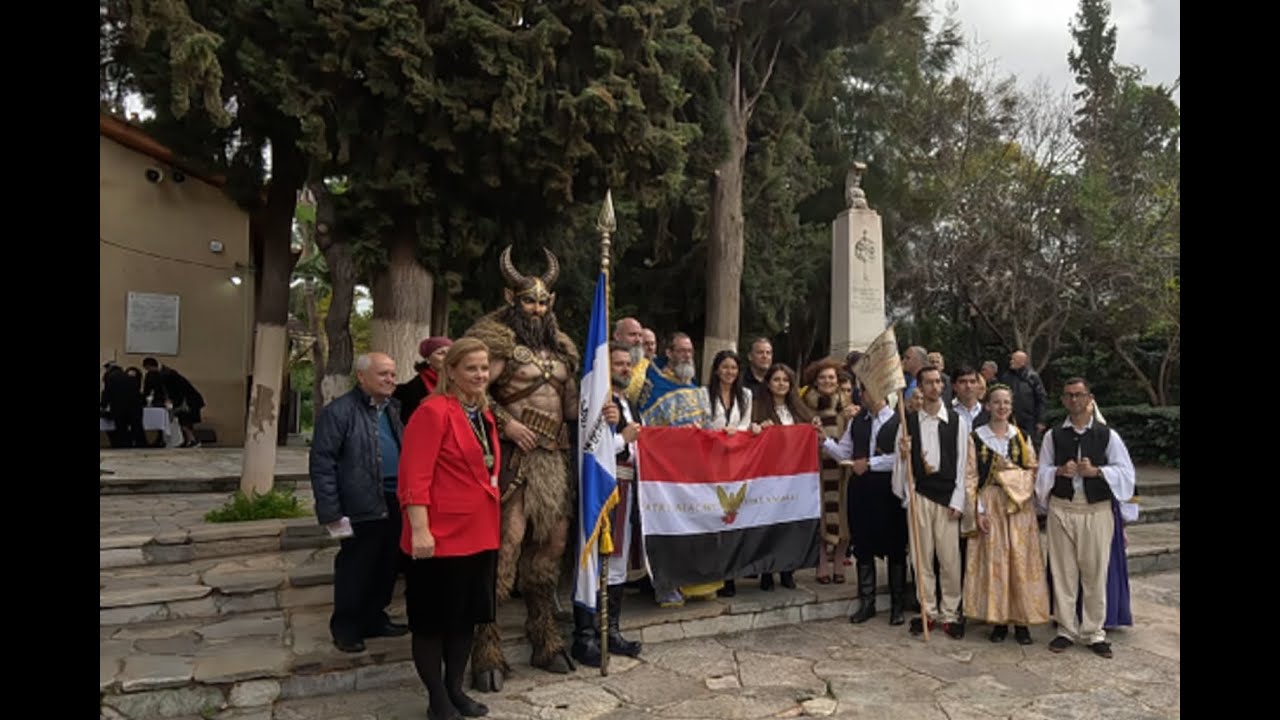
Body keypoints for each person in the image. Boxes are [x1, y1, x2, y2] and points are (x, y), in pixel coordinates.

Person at [463, 246, 579, 690]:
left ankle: (544, 633)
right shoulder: (493, 340)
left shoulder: (563, 347)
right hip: (512, 456)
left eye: (544, 300)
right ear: (512, 299)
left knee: (552, 545)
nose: (537, 307)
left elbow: (571, 407)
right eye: (529, 300)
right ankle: (485, 644)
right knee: (505, 546)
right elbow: (470, 388)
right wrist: (507, 423)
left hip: (555, 456)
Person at [398, 338, 502, 720]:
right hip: (439, 536)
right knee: (431, 623)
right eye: (471, 368)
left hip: (479, 531)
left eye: (484, 367)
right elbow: (414, 476)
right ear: (451, 371)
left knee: (465, 620)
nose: (479, 375)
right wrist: (420, 530)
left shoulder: (483, 413)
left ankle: (455, 690)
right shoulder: (433, 411)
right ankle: (437, 699)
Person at [308, 352, 410, 654]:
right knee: (356, 568)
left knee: (387, 566)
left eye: (392, 374)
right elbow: (322, 464)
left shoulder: (395, 409)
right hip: (359, 504)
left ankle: (374, 618)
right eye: (383, 374)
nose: (390, 380)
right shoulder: (339, 412)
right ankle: (347, 627)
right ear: (362, 377)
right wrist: (330, 511)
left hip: (395, 500)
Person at [1035, 377, 1136, 659]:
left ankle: (1094, 631)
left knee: (1094, 572)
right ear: (1064, 400)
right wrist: (1057, 472)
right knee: (1063, 571)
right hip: (1063, 507)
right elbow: (1040, 473)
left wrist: (1098, 472)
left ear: (1089, 398)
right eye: (1069, 396)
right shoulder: (1053, 436)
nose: (1074, 400)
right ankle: (1066, 629)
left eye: (1079, 395)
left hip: (1096, 509)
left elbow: (1127, 474)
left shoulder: (1107, 435)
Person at [570, 342, 644, 666]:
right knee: (593, 561)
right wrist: (623, 438)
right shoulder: (598, 400)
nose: (625, 369)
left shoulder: (627, 402)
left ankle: (610, 630)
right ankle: (585, 636)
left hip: (626, 488)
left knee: (616, 562)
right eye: (618, 363)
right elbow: (592, 447)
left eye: (628, 364)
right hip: (603, 487)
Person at [961, 385, 1050, 645]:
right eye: (997, 402)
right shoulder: (976, 437)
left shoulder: (1021, 437)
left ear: (1011, 407)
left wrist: (1011, 473)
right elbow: (970, 476)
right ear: (988, 406)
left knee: (1020, 563)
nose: (1002, 407)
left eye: (1006, 403)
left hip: (1018, 505)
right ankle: (998, 619)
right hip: (990, 503)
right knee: (996, 562)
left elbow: (1033, 469)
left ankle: (1022, 620)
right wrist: (978, 510)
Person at [890, 365, 969, 639]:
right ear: (920, 388)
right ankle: (928, 610)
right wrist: (903, 455)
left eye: (938, 382)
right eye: (928, 383)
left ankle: (950, 612)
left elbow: (962, 465)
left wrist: (959, 500)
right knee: (921, 557)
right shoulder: (908, 422)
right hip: (920, 494)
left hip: (946, 496)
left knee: (949, 559)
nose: (934, 387)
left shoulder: (957, 423)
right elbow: (900, 472)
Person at [823, 384, 907, 624]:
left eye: (868, 391)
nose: (863, 396)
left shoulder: (899, 421)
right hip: (861, 489)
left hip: (889, 489)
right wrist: (825, 442)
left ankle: (897, 606)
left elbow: (901, 459)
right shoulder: (858, 421)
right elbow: (845, 452)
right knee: (863, 545)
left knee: (895, 547)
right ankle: (866, 602)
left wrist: (870, 463)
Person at [749, 363, 818, 590]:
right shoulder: (758, 408)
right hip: (769, 477)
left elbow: (811, 434)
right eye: (776, 379)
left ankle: (788, 570)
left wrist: (813, 426)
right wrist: (759, 428)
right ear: (768, 383)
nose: (781, 384)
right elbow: (749, 436)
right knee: (769, 525)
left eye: (785, 380)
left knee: (791, 525)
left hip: (795, 479)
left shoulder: (799, 410)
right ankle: (767, 572)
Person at [700, 349, 753, 598]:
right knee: (713, 519)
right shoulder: (703, 394)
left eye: (733, 368)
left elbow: (745, 424)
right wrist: (719, 433)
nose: (729, 372)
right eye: (725, 367)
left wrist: (737, 431)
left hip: (736, 463)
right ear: (716, 370)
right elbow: (702, 425)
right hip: (711, 462)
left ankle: (730, 574)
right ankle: (713, 574)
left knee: (733, 517)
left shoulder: (746, 395)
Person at [800, 359, 859, 584]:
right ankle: (822, 562)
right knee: (822, 515)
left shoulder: (847, 406)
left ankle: (840, 561)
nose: (827, 381)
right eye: (823, 377)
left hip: (842, 468)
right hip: (816, 469)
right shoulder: (805, 404)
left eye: (831, 377)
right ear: (816, 380)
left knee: (843, 514)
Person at [141, 357, 206, 447]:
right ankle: (187, 441)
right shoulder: (160, 373)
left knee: (184, 420)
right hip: (181, 400)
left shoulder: (169, 374)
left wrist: (173, 403)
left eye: (147, 368)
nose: (147, 371)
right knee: (178, 420)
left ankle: (192, 440)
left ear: (149, 366)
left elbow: (179, 390)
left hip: (188, 400)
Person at [394, 336, 453, 425]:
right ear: (428, 359)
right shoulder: (414, 388)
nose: (447, 358)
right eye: (441, 353)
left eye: (450, 353)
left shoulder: (458, 381)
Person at [999, 350, 1048, 445]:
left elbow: (1041, 399)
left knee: (1028, 445)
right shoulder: (1006, 377)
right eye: (1011, 359)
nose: (1011, 362)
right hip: (1010, 418)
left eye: (1014, 359)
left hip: (1028, 420)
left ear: (1022, 362)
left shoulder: (1032, 377)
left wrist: (1041, 420)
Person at [102, 362, 147, 448]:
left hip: (119, 407)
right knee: (137, 427)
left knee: (122, 428)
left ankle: (124, 445)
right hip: (135, 407)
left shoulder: (110, 377)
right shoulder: (131, 378)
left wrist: (103, 405)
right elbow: (138, 393)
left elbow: (107, 393)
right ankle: (141, 445)